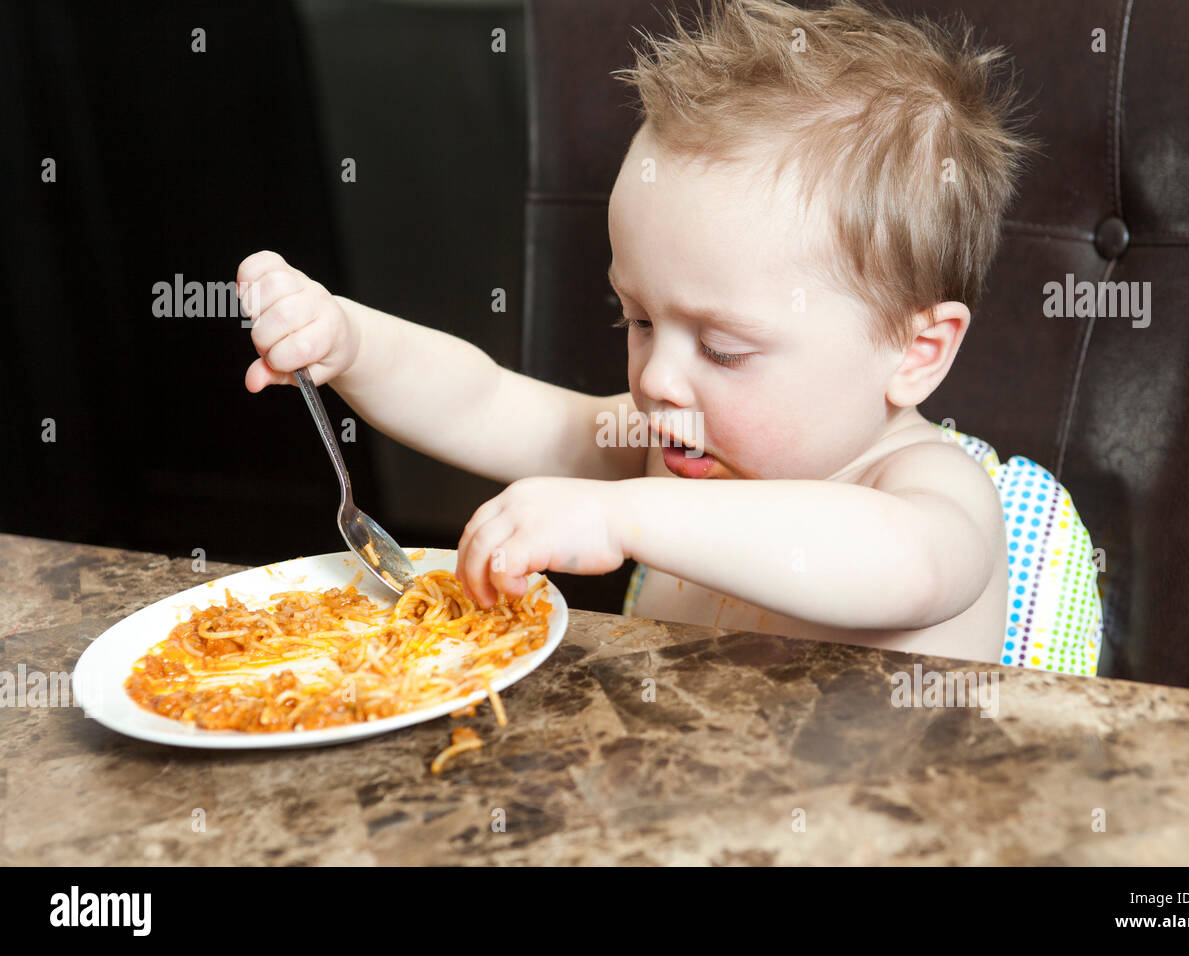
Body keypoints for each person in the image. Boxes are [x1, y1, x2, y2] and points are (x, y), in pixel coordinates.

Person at [236, 0, 1102, 674]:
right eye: (639, 320)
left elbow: (900, 564)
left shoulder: (935, 498)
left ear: (916, 353)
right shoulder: (671, 448)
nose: (657, 380)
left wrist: (625, 514)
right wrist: (349, 340)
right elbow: (486, 400)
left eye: (724, 349)